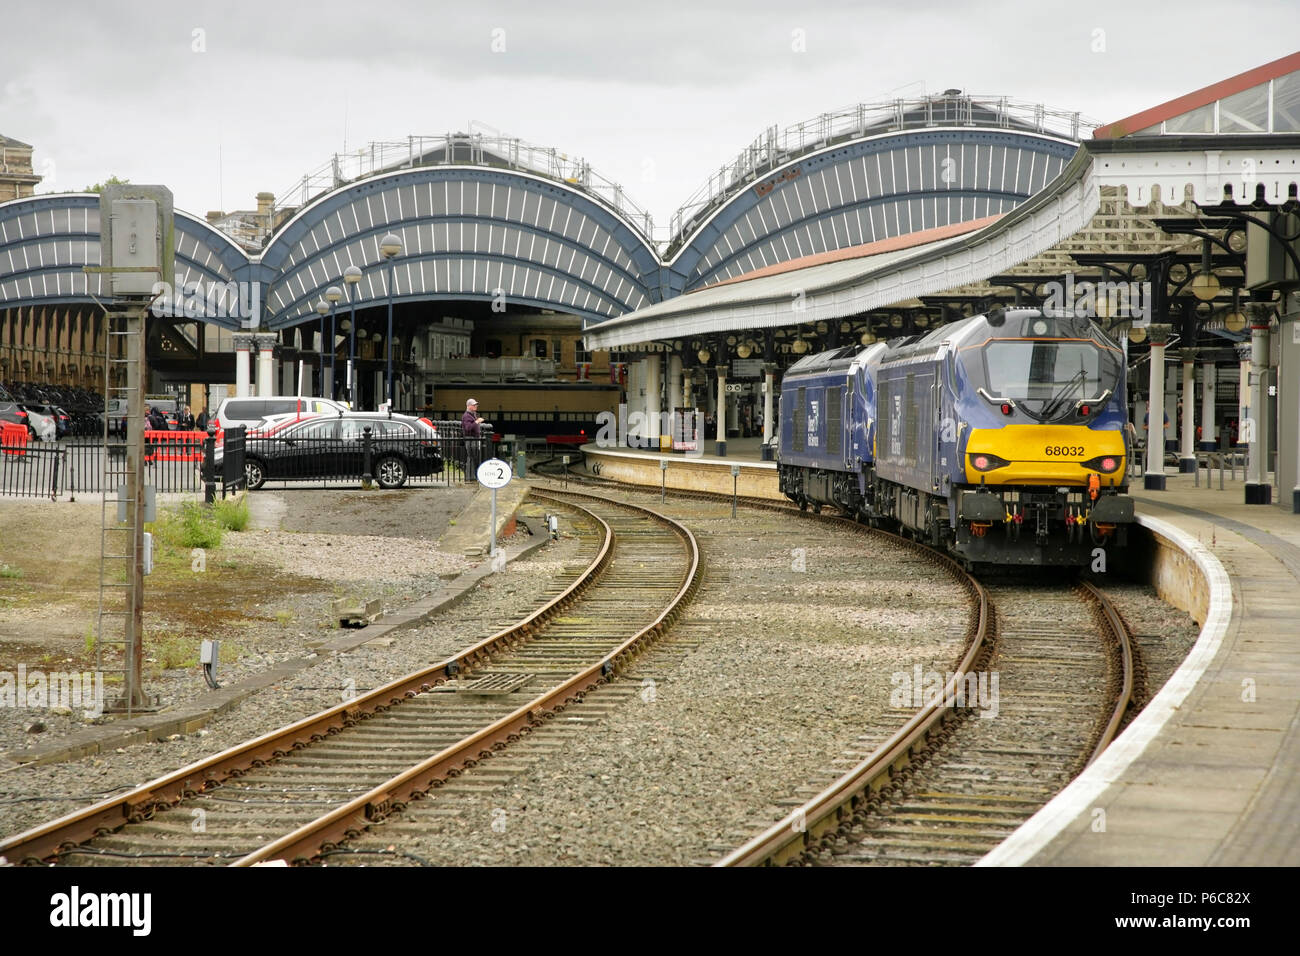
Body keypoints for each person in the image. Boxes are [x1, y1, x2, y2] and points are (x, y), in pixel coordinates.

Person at [461, 398, 485, 475]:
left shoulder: (472, 414)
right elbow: (468, 428)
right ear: (468, 406)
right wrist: (477, 421)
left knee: (474, 457)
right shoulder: (466, 416)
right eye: (474, 405)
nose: (476, 406)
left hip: (473, 439)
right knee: (471, 457)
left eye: (476, 405)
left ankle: (472, 476)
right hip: (470, 439)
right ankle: (470, 476)